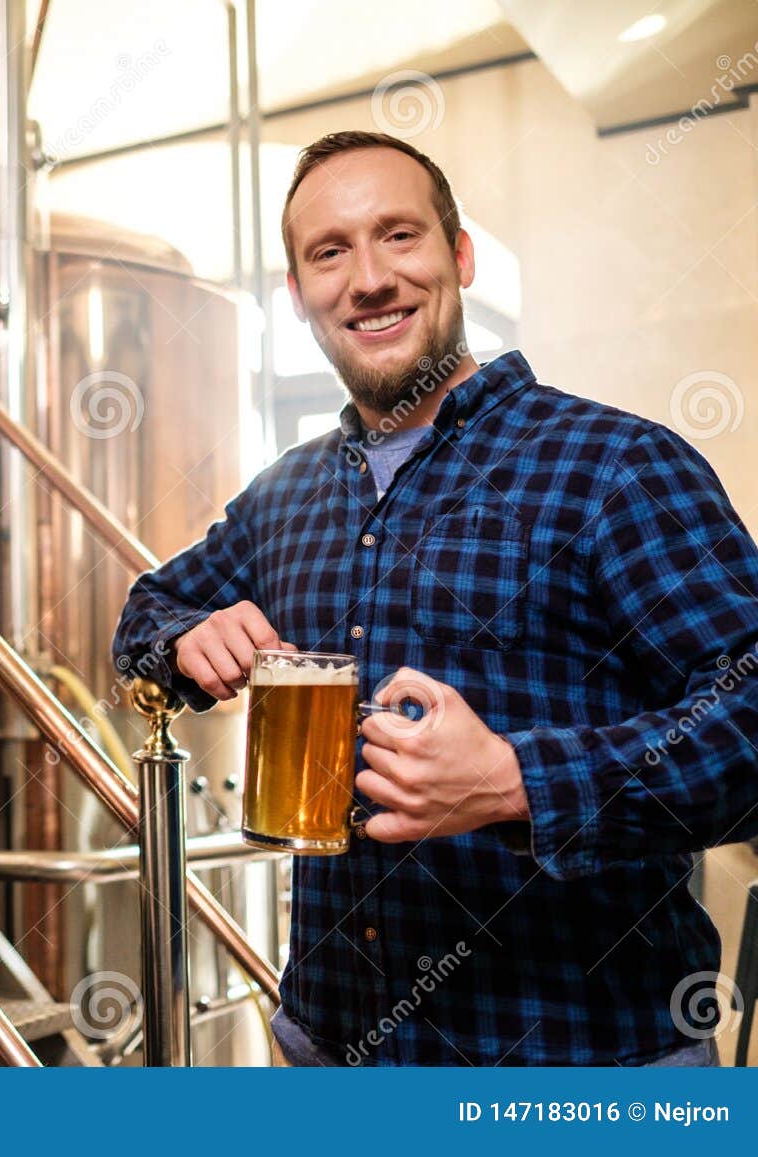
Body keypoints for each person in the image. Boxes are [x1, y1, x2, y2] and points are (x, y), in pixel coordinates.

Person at [113, 129, 758, 1066]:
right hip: (330, 1048)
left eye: (399, 236)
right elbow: (146, 611)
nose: (367, 278)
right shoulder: (284, 495)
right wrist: (182, 639)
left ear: (459, 257)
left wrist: (515, 781)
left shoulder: (614, 464)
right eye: (329, 252)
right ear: (297, 297)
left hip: (574, 1065)